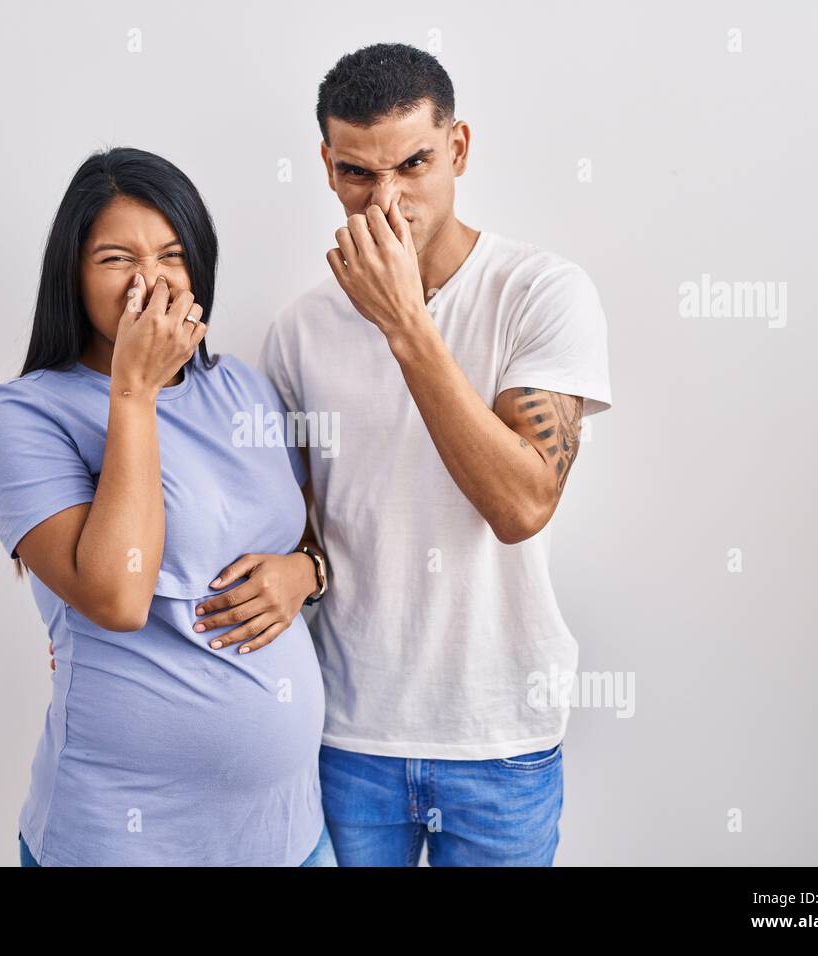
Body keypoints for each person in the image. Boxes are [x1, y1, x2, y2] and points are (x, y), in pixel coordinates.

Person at [256, 43, 614, 866]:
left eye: (414, 164)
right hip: (347, 735)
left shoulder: (540, 292)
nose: (388, 201)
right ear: (326, 165)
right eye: (356, 174)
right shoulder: (296, 333)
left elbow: (522, 505)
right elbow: (295, 530)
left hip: (499, 739)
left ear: (457, 148)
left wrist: (406, 324)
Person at [0, 147, 334, 866]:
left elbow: (312, 530)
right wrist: (133, 392)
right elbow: (117, 596)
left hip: (290, 836)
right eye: (115, 258)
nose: (149, 279)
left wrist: (306, 574)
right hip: (123, 840)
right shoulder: (22, 415)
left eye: (172, 254)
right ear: (71, 274)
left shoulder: (245, 389)